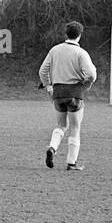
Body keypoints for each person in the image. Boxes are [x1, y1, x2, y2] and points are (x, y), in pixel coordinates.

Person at [38, 21, 97, 171]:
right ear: (80, 35)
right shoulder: (81, 53)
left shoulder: (54, 50)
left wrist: (48, 86)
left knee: (61, 125)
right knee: (75, 128)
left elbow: (42, 71)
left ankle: (52, 148)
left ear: (66, 34)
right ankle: (71, 163)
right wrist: (87, 84)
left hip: (58, 93)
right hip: (75, 93)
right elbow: (91, 74)